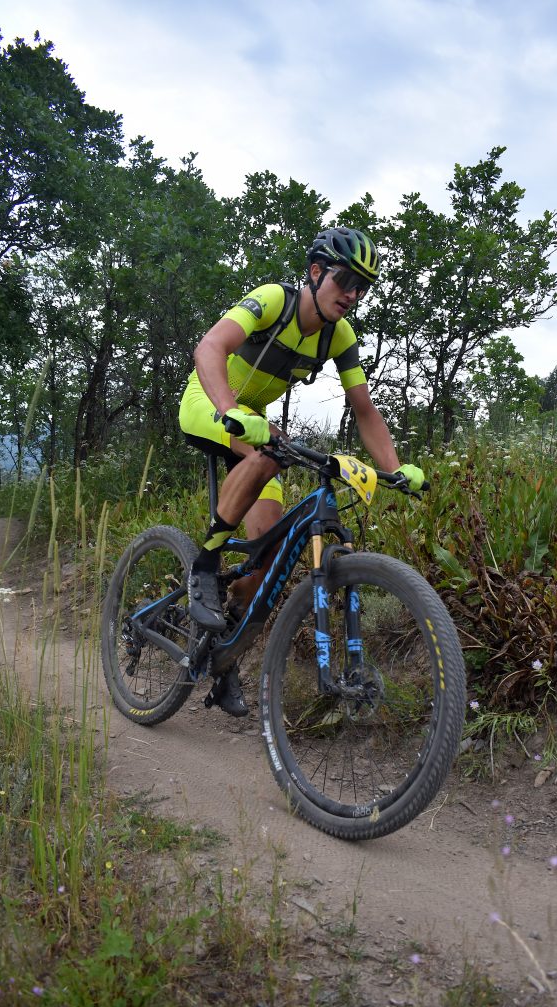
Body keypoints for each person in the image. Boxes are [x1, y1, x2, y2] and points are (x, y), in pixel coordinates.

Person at [179, 226, 424, 716]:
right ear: (315, 272)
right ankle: (204, 566)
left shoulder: (340, 335)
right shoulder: (274, 300)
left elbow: (364, 408)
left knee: (267, 556)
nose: (352, 295)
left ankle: (222, 660)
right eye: (344, 281)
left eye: (362, 288)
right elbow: (210, 348)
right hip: (209, 403)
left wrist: (395, 469)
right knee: (265, 453)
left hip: (256, 428)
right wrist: (230, 408)